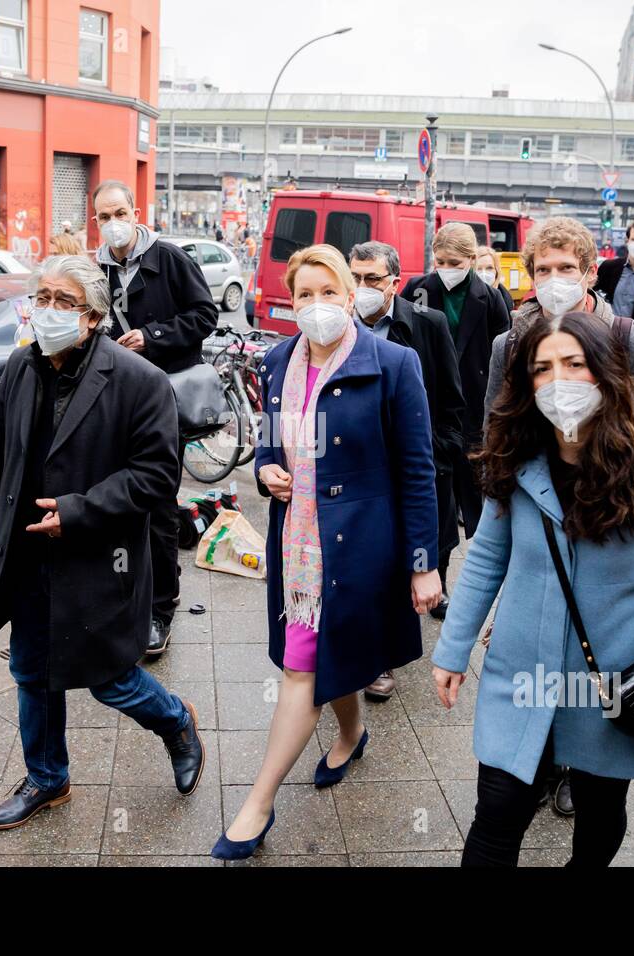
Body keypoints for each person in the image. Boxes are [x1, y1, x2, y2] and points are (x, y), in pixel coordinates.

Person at [431, 308, 634, 867]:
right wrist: (452, 649)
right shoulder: (517, 457)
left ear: (606, 371)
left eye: (574, 364)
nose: (558, 381)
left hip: (613, 682)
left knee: (600, 812)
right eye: (542, 368)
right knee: (496, 816)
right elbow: (485, 559)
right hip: (521, 672)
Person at [213, 244, 442, 859]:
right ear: (290, 300)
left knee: (302, 668)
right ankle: (353, 731)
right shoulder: (277, 360)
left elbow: (418, 470)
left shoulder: (394, 363)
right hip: (298, 545)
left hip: (362, 547)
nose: (317, 305)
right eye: (304, 294)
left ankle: (258, 802)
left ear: (351, 296)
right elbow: (266, 441)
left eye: (329, 292)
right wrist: (265, 472)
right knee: (320, 650)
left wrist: (425, 564)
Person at [0, 254, 205, 830]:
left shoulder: (140, 381)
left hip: (100, 556)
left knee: (109, 679)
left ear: (93, 316)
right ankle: (48, 779)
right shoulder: (22, 367)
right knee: (31, 669)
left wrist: (77, 511)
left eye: (64, 302)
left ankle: (175, 720)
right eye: (42, 297)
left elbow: (154, 477)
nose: (48, 310)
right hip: (27, 551)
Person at [92, 179, 219, 656]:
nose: (112, 224)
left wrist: (153, 335)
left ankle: (161, 608)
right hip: (117, 401)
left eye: (119, 212)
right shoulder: (98, 267)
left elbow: (204, 314)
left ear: (135, 210)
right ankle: (124, 595)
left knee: (159, 505)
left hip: (164, 399)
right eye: (103, 217)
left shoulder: (169, 259)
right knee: (118, 502)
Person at [349, 240, 464, 702]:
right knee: (364, 562)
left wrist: (433, 456)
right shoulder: (337, 327)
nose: (362, 288)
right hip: (356, 471)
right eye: (354, 278)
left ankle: (382, 658)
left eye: (371, 279)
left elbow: (453, 408)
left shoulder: (427, 326)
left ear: (395, 281)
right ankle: (367, 651)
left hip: (413, 469)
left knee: (405, 563)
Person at [401, 221, 511, 612]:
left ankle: (481, 588)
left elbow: (503, 355)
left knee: (479, 508)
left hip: (475, 414)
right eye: (440, 260)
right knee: (438, 506)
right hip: (430, 409)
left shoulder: (490, 296)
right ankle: (438, 584)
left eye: (455, 262)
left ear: (471, 260)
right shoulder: (417, 289)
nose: (446, 268)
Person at [484, 217, 634, 434]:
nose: (554, 279)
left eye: (566, 268)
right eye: (543, 270)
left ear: (591, 273)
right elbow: (494, 430)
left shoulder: (633, 342)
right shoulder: (509, 346)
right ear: (532, 277)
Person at [475, 245, 517, 318]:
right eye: (478, 268)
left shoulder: (505, 299)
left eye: (489, 268)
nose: (484, 273)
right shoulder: (464, 299)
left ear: (496, 271)